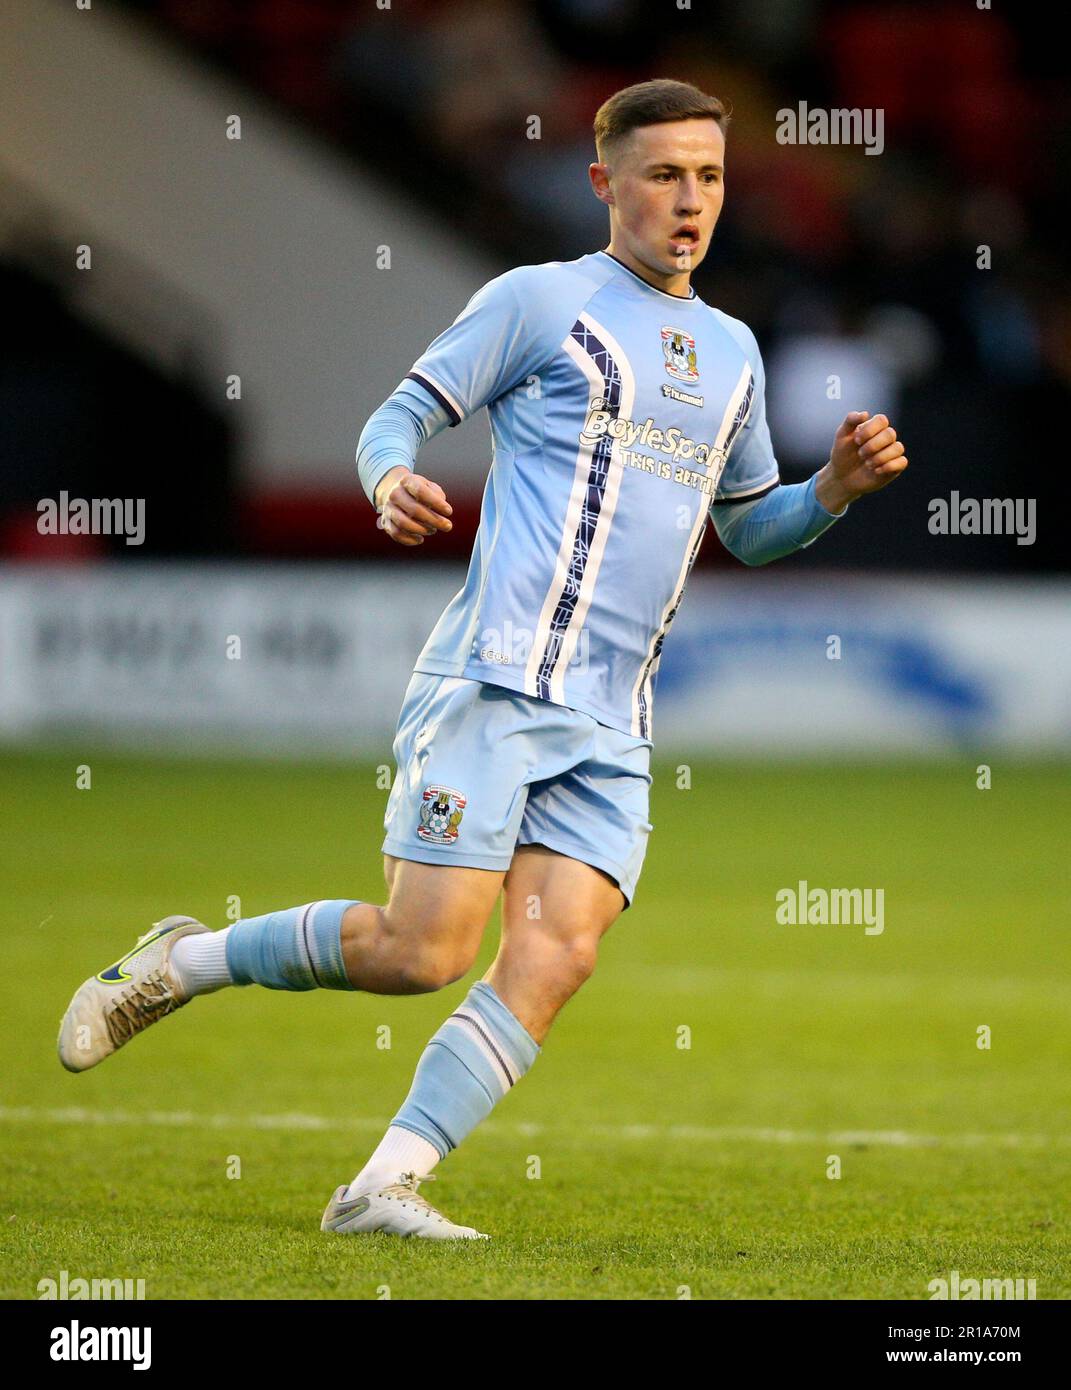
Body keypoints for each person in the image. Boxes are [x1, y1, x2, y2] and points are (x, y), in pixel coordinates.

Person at [57, 79, 908, 1239]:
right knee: (422, 954)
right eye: (664, 174)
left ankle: (382, 1184)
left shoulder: (736, 351)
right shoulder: (539, 302)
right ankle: (185, 960)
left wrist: (832, 494)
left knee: (557, 956)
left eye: (709, 176)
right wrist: (389, 479)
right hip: (500, 678)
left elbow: (751, 529)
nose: (691, 199)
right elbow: (394, 419)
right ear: (606, 184)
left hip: (616, 717)